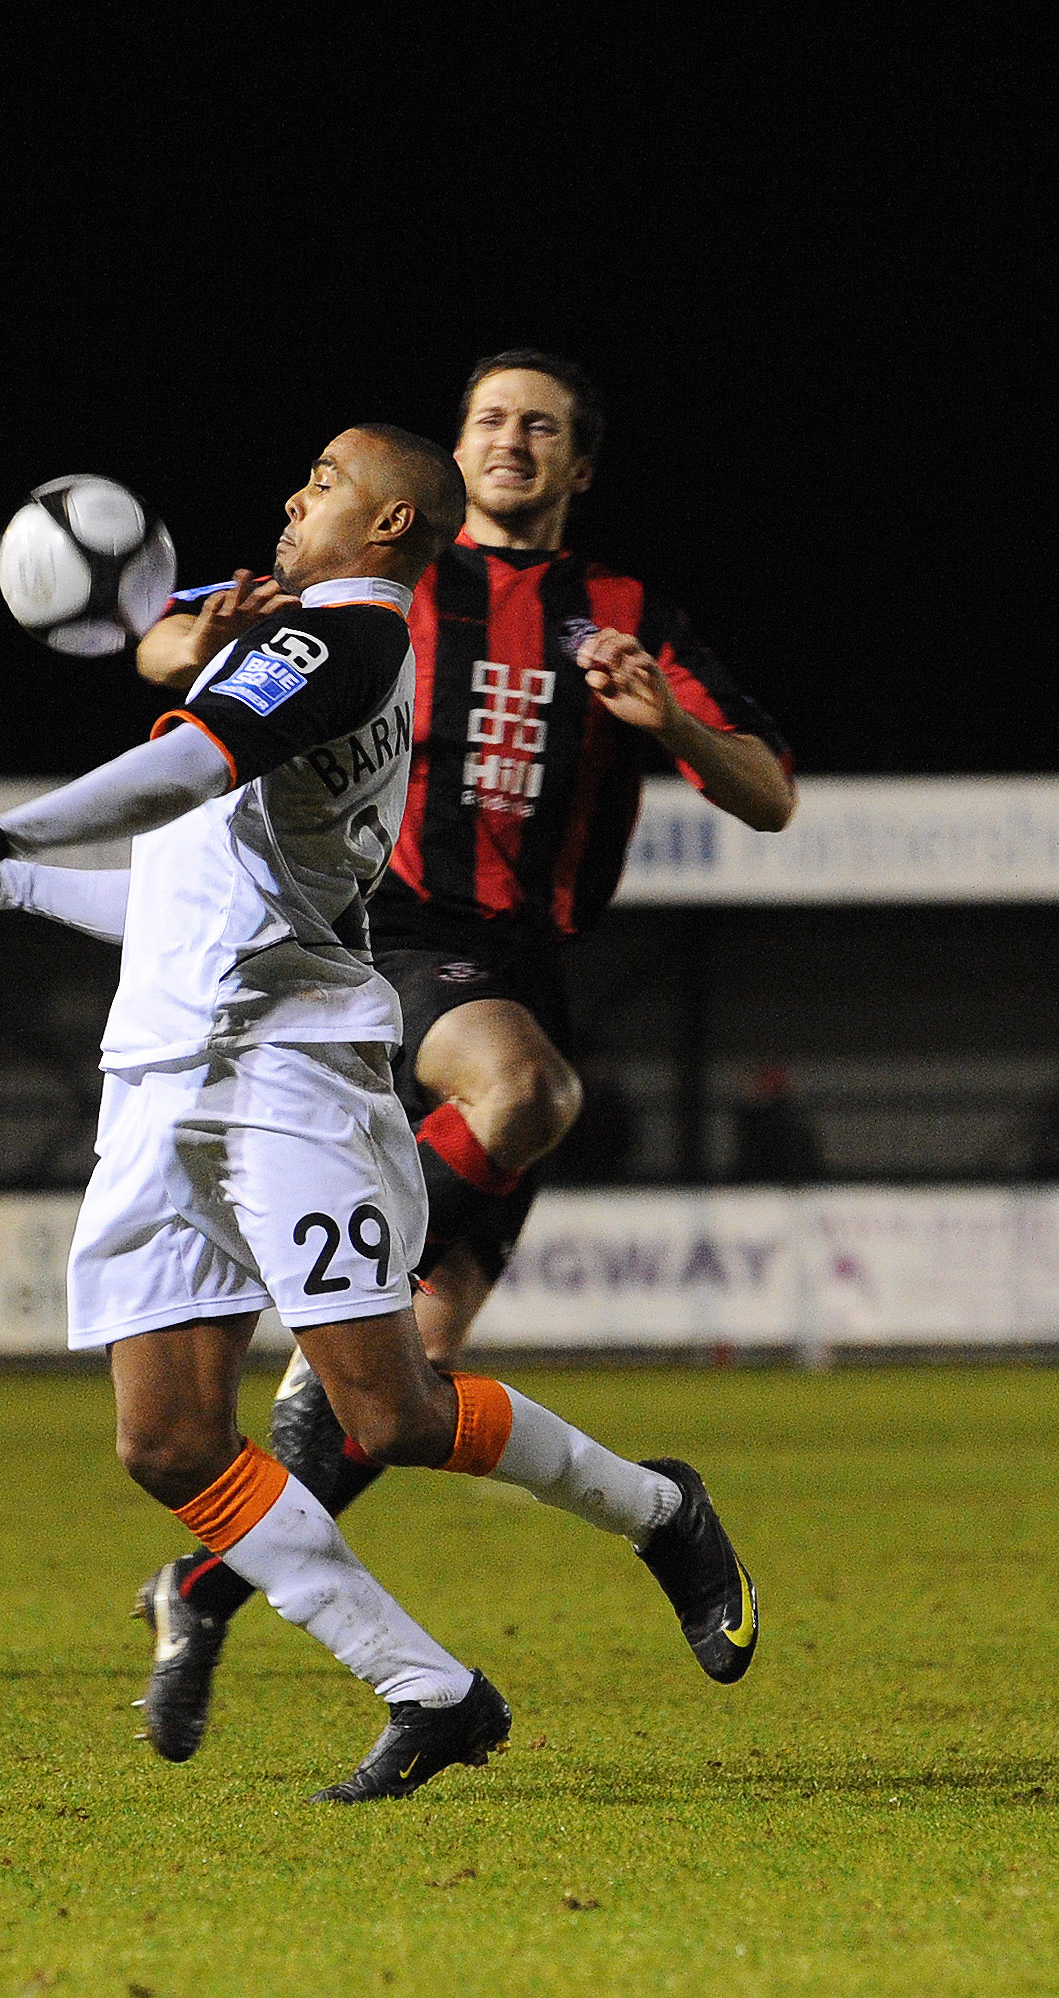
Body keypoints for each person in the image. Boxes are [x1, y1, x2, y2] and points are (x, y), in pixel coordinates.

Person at [0, 423, 758, 1803]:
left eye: (326, 484)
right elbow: (170, 898)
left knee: (388, 1412)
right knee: (166, 1439)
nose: (294, 498)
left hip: (290, 1075)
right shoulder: (272, 654)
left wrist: (1, 832)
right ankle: (433, 1689)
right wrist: (6, 888)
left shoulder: (350, 643)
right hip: (159, 1076)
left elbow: (179, 765)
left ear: (397, 523)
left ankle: (661, 1508)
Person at [132, 351, 792, 1760]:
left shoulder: (624, 616)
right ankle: (273, 1521)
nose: (511, 441)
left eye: (541, 427)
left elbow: (771, 792)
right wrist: (187, 649)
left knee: (398, 1399)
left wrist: (669, 720)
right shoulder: (387, 575)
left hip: (514, 962)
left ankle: (211, 1587)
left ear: (578, 465)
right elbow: (168, 644)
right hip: (369, 942)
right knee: (529, 1088)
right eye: (490, 418)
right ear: (456, 452)